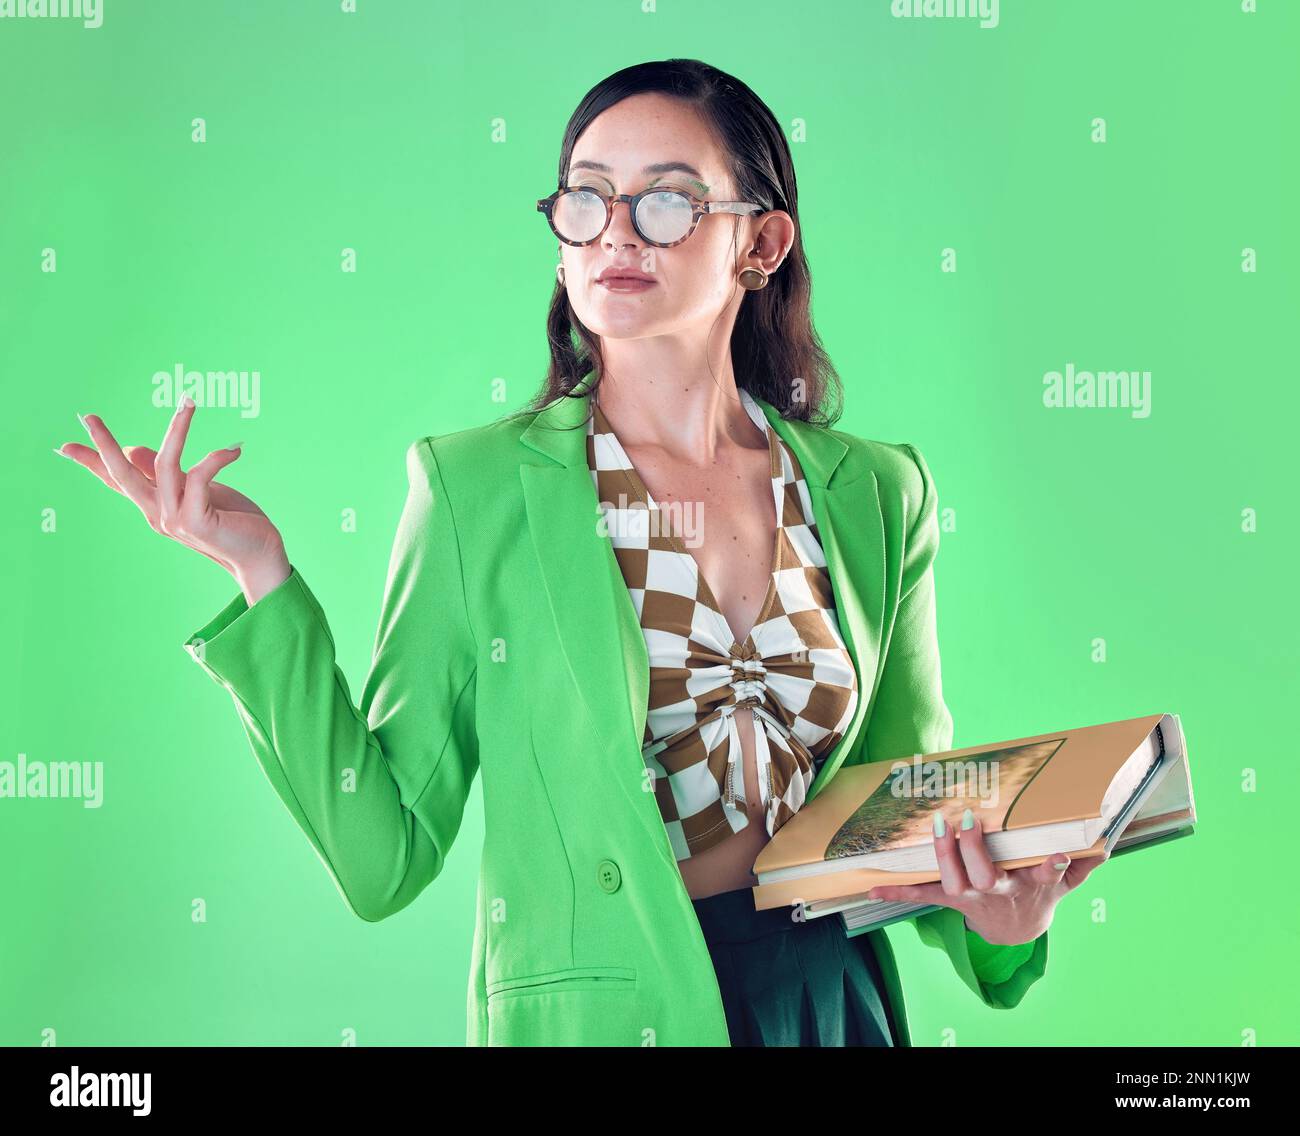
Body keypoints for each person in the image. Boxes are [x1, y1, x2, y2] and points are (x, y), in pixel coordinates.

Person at [52, 58, 1107, 1047]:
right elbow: (384, 854)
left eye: (665, 200)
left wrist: (998, 917)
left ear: (761, 243)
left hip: (827, 999)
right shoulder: (474, 489)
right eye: (586, 196)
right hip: (612, 1010)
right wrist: (262, 578)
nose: (615, 234)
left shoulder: (875, 488)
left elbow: (896, 791)